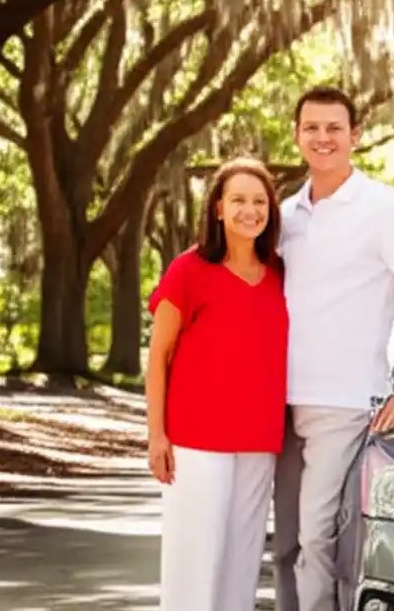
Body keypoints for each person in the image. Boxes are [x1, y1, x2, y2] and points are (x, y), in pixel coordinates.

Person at [273, 85, 394, 611]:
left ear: (354, 136)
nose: (322, 138)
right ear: (297, 135)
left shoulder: (383, 208)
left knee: (316, 538)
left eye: (334, 128)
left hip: (343, 403)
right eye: (312, 128)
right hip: (275, 403)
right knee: (284, 545)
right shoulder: (284, 214)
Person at [145, 157, 289, 611]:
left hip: (259, 439)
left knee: (242, 562)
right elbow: (159, 356)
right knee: (196, 560)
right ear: (219, 209)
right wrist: (156, 435)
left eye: (259, 200)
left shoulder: (281, 273)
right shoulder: (189, 271)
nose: (251, 210)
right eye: (239, 200)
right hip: (196, 438)